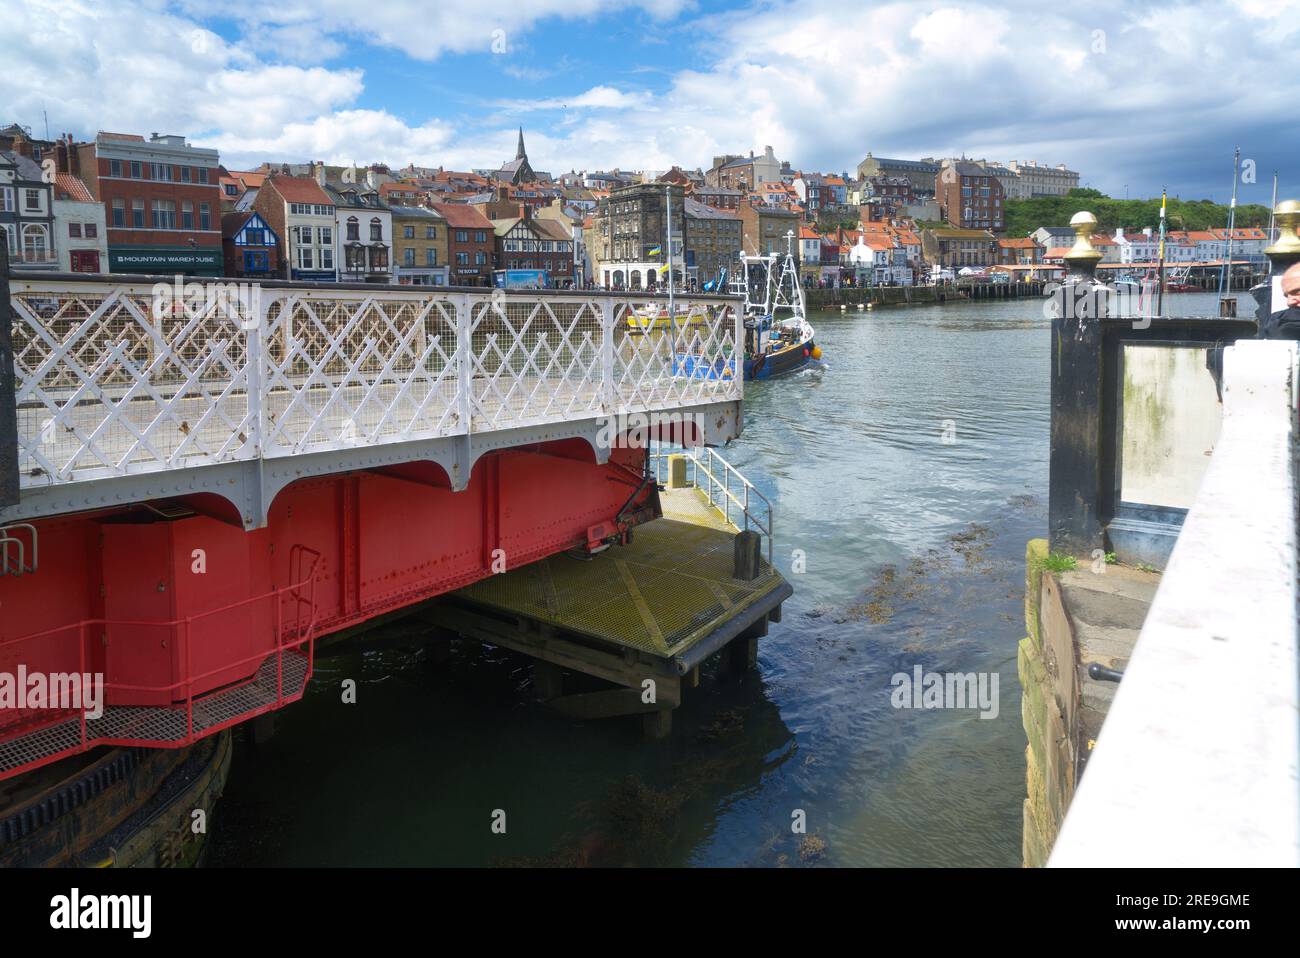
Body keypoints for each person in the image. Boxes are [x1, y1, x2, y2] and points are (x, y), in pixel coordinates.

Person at [1258, 262, 1300, 339]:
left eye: (1297, 292)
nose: (1290, 302)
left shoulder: (1279, 320)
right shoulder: (1277, 320)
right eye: (1286, 296)